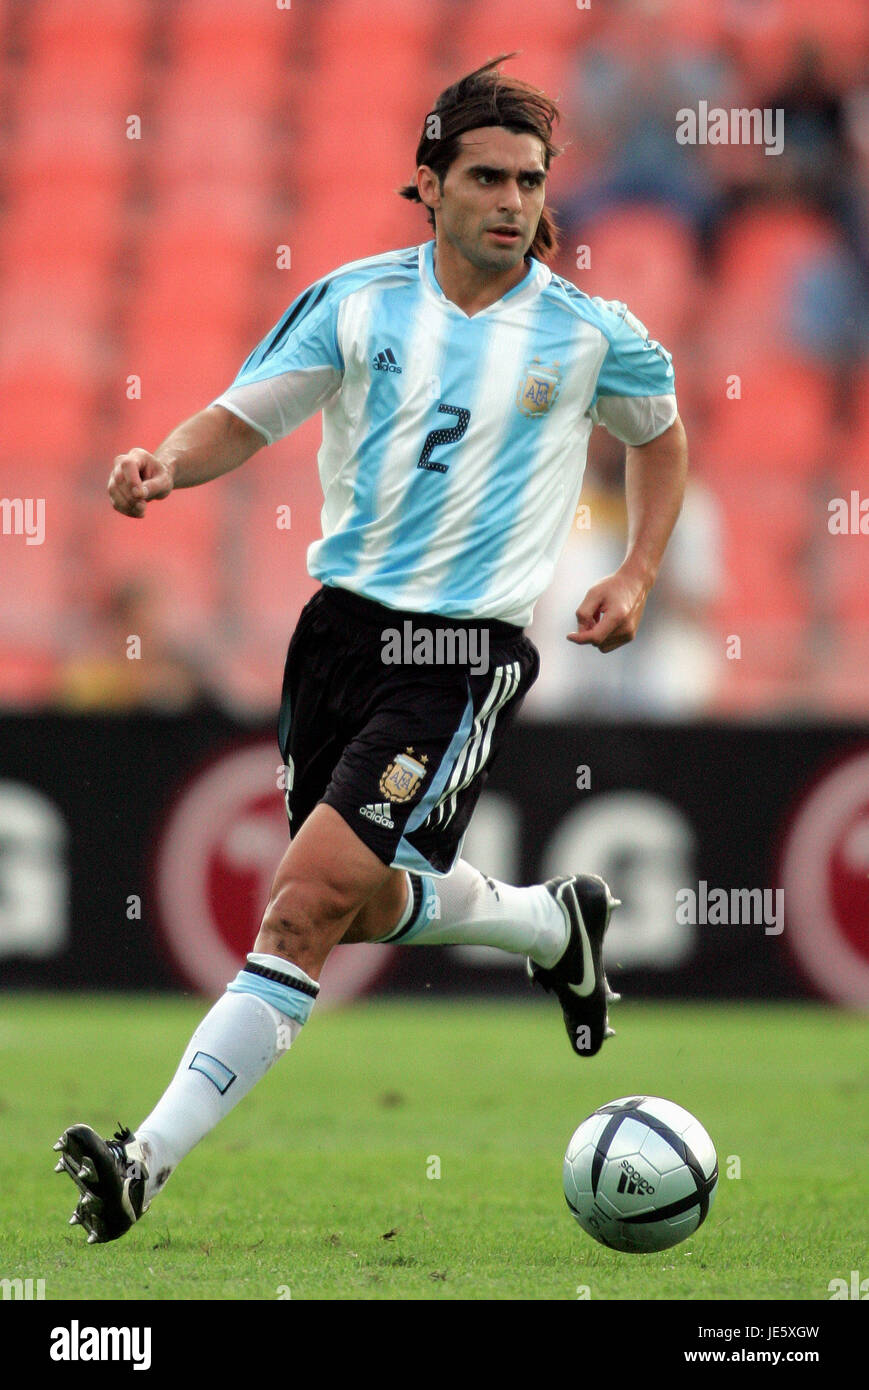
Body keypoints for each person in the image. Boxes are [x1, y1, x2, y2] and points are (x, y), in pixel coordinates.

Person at [54, 55, 688, 1244]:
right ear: (428, 185)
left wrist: (636, 571)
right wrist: (164, 465)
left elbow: (661, 436)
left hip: (459, 658)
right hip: (334, 639)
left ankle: (143, 1157)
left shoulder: (588, 331)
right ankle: (552, 925)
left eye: (530, 180)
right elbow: (248, 411)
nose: (512, 200)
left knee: (300, 908)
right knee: (351, 904)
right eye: (486, 177)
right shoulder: (354, 301)